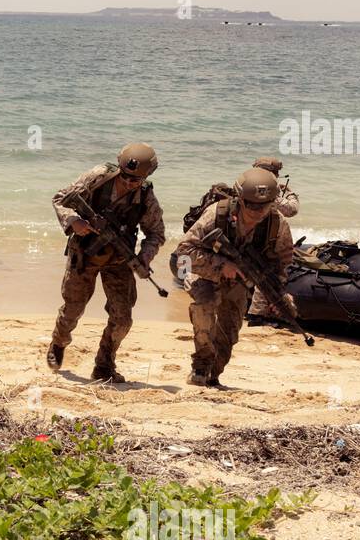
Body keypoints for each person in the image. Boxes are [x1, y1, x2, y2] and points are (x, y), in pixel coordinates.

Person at [47, 143, 164, 381]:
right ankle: (58, 343)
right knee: (73, 308)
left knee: (123, 318)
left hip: (119, 259)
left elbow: (156, 234)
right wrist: (73, 222)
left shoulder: (146, 196)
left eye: (136, 180)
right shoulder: (98, 177)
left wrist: (144, 256)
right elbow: (60, 198)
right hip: (85, 254)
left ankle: (104, 363)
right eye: (126, 176)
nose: (130, 183)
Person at [176, 167, 295, 387]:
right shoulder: (217, 214)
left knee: (229, 333)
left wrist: (278, 295)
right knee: (205, 306)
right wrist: (222, 265)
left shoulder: (277, 225)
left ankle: (212, 375)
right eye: (251, 205)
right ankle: (201, 366)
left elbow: (283, 262)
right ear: (240, 200)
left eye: (264, 206)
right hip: (205, 274)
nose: (257, 211)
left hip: (239, 282)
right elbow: (183, 252)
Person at [246, 157, 298, 323]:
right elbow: (290, 209)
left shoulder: (249, 186)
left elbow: (290, 210)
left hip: (257, 235)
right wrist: (284, 194)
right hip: (257, 236)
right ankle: (257, 314)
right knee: (270, 270)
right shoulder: (260, 188)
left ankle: (256, 310)